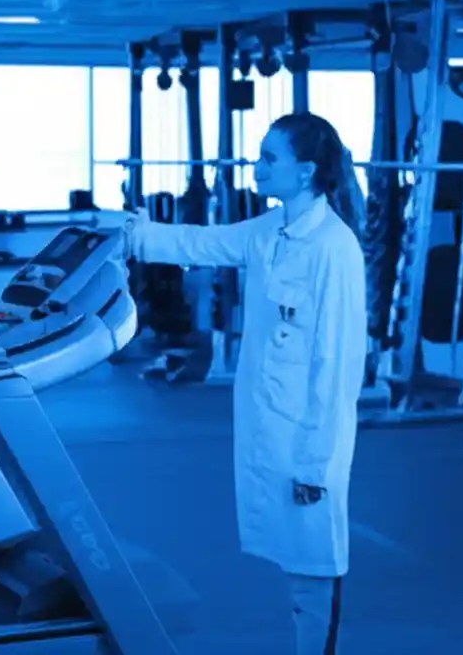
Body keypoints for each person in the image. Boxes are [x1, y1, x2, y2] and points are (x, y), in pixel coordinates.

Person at [125, 112, 367, 655]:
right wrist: (137, 236)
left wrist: (314, 463)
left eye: (268, 158)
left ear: (305, 172)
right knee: (292, 555)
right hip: (269, 425)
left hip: (309, 438)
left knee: (314, 558)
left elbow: (338, 368)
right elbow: (204, 244)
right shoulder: (271, 230)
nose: (256, 168)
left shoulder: (335, 248)